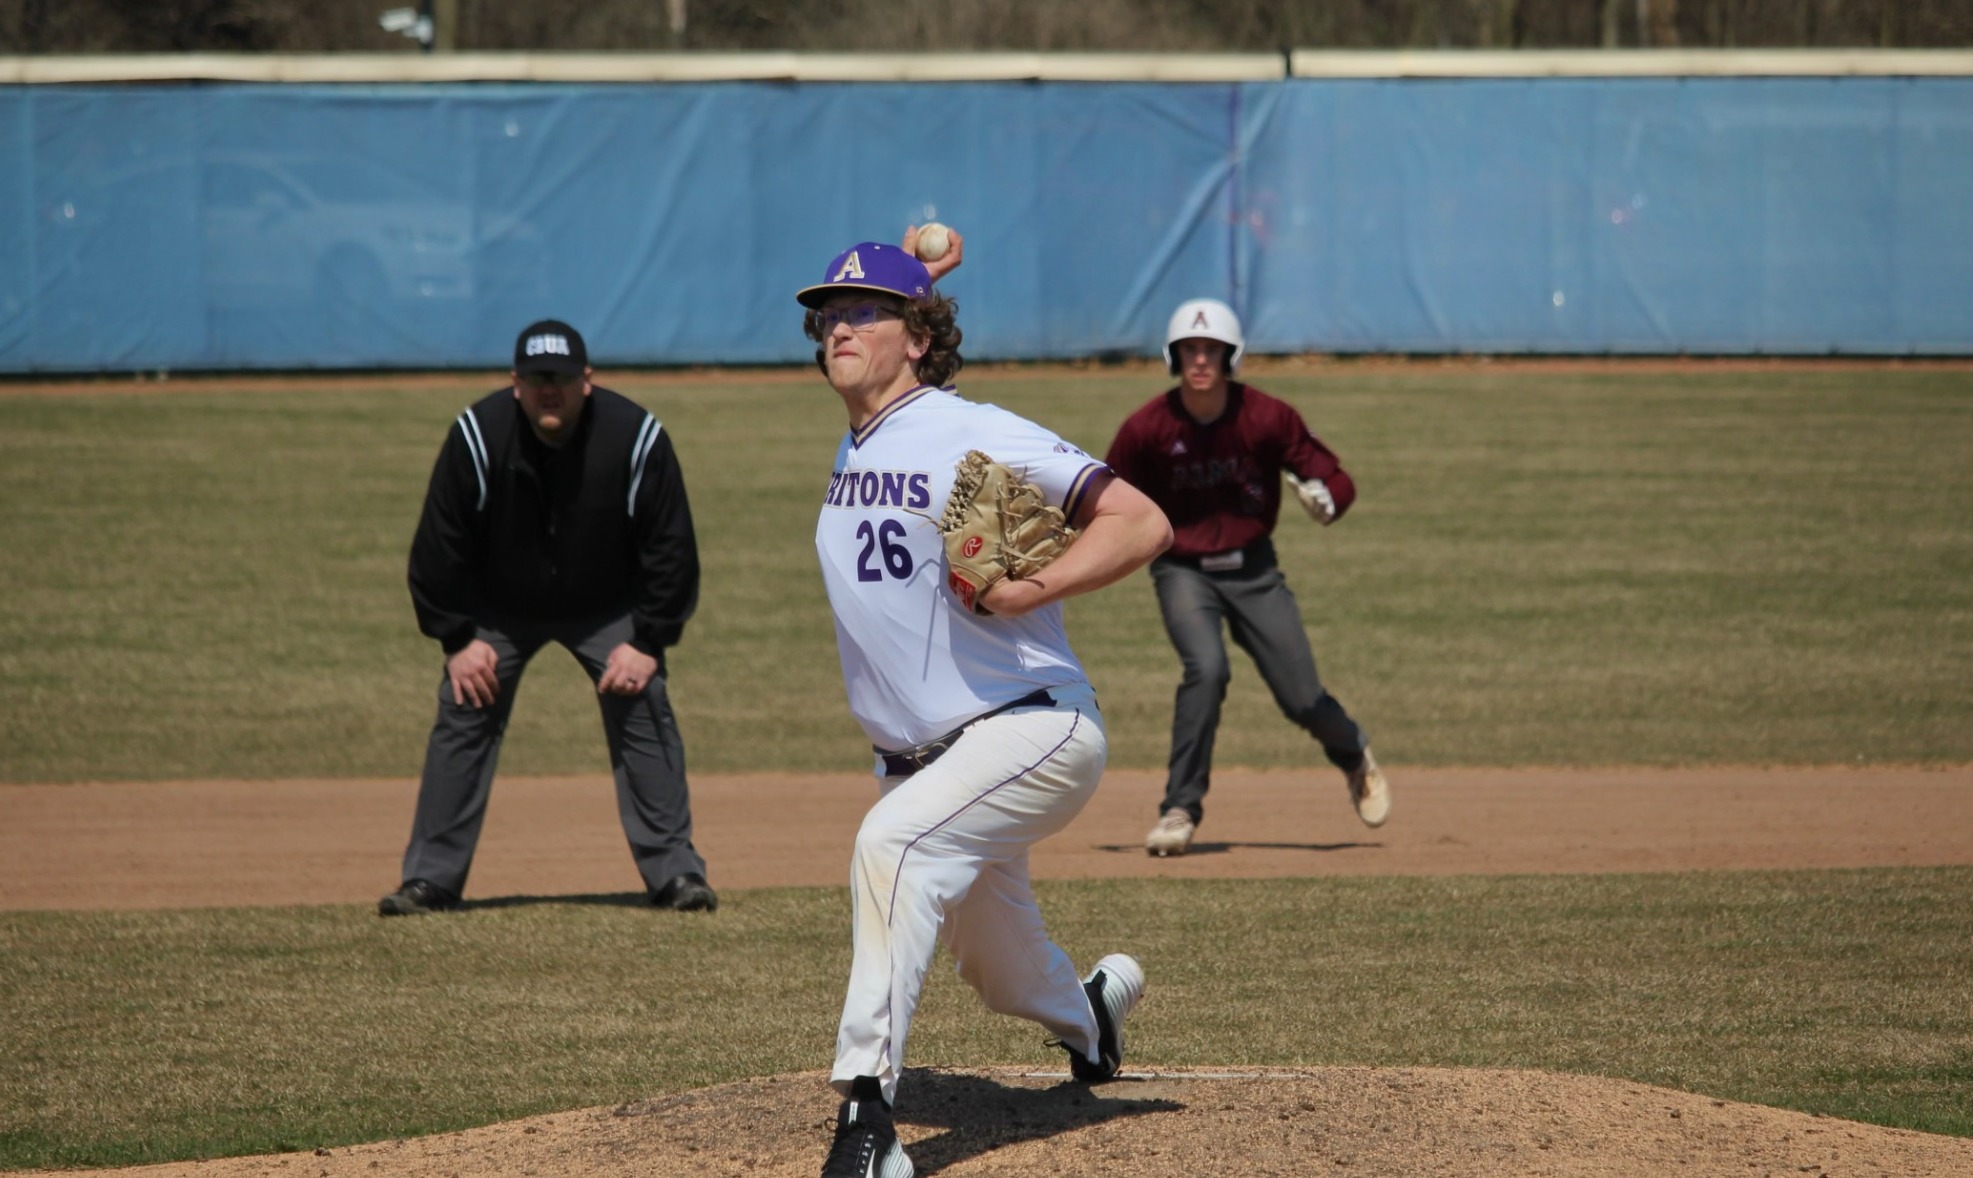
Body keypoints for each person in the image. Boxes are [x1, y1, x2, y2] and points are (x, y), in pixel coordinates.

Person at [797, 230, 1174, 1178]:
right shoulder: (863, 440)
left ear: (917, 338)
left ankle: (867, 1125)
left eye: (862, 315)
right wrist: (903, 287)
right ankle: (1087, 1020)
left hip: (1033, 727)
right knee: (1000, 974)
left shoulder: (972, 427)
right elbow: (877, 305)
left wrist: (1029, 591)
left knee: (892, 849)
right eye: (828, 316)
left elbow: (1143, 520)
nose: (838, 327)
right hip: (929, 762)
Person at [382, 319, 716, 916]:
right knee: (465, 701)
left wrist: (647, 640)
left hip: (609, 606)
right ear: (516, 384)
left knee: (643, 698)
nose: (549, 391)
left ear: (586, 381)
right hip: (498, 609)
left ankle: (677, 874)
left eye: (560, 378)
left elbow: (672, 548)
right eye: (537, 379)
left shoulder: (636, 437)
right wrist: (457, 640)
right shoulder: (476, 436)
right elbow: (438, 548)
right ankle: (429, 880)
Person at [1103, 298, 1391, 858]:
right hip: (1182, 569)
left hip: (1254, 569)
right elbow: (1101, 492)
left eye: (1212, 349)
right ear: (1174, 356)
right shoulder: (1148, 428)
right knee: (1205, 670)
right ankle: (1179, 809)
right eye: (1191, 349)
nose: (1201, 359)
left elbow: (1331, 474)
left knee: (1302, 697)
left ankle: (1353, 751)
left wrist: (1329, 500)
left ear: (1231, 356)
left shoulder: (1266, 417)